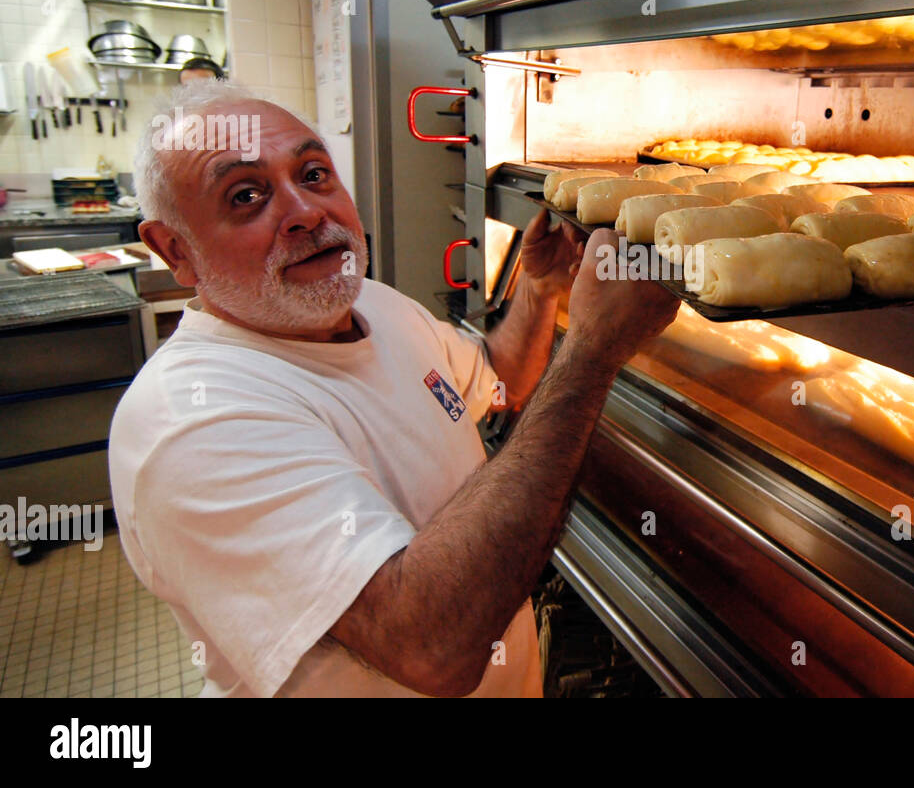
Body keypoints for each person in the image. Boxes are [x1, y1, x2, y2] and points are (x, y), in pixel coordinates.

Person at [108, 80, 679, 697]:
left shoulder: (373, 305)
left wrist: (539, 291)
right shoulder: (192, 420)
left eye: (314, 173)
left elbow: (494, 381)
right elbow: (431, 648)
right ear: (175, 251)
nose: (306, 212)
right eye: (246, 195)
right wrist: (593, 349)